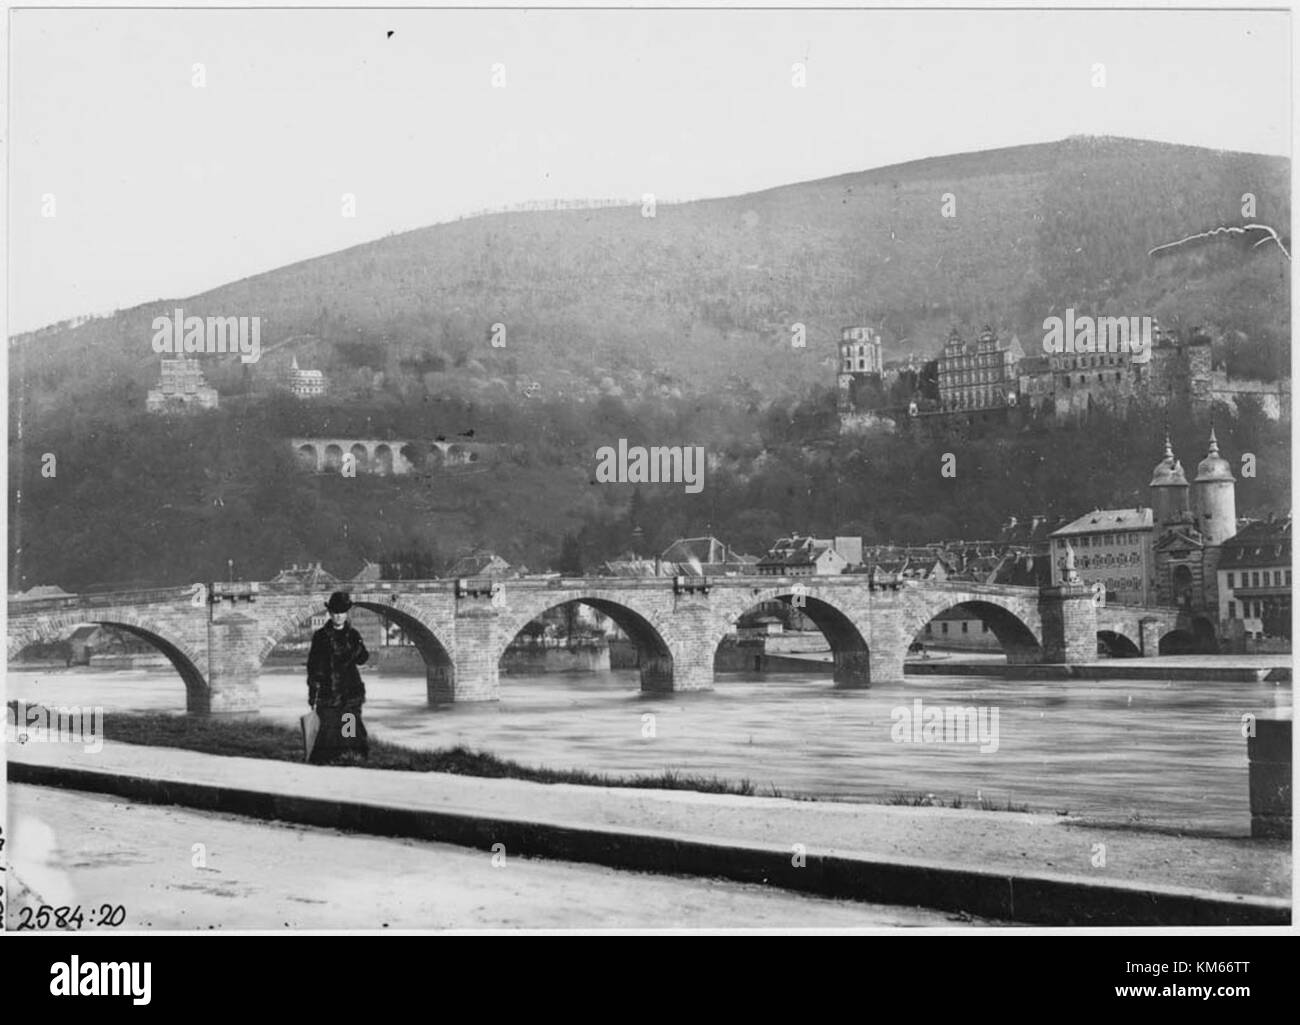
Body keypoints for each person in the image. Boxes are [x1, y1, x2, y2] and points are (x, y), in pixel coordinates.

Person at [306, 591, 370, 765]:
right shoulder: (320, 637)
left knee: (348, 730)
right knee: (327, 732)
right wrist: (313, 693)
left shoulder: (353, 635)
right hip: (328, 695)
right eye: (335, 612)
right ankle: (325, 768)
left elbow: (363, 658)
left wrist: (357, 648)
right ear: (330, 613)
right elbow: (313, 667)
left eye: (341, 612)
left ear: (346, 613)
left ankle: (350, 760)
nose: (338, 616)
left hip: (350, 694)